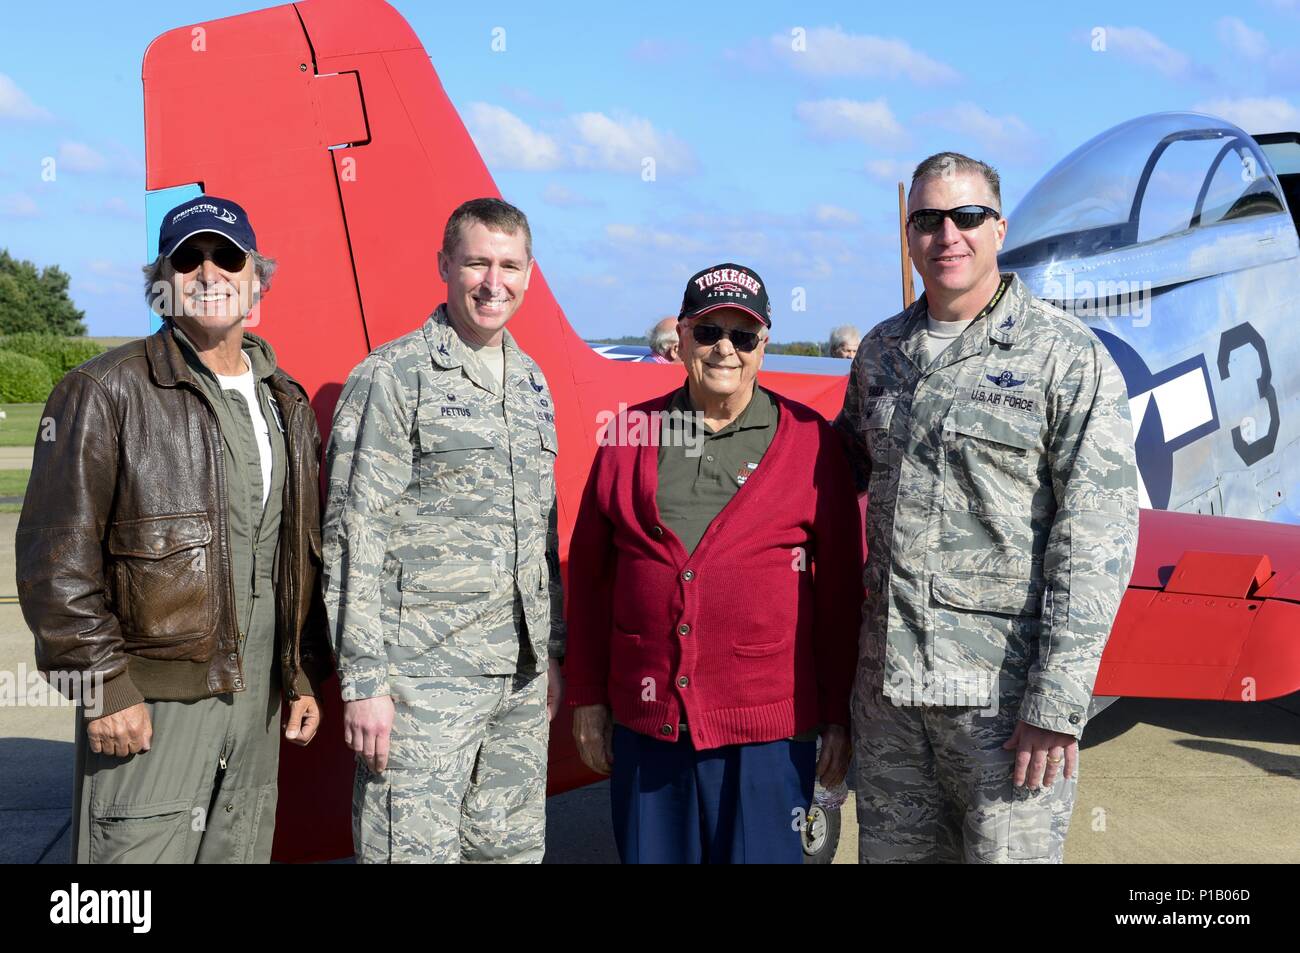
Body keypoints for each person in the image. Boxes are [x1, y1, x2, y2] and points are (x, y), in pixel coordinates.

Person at [835, 152, 1139, 863]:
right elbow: (833, 481)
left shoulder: (1066, 357)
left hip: (1002, 711)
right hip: (889, 712)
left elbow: (1096, 537)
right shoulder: (880, 353)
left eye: (967, 216)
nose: (949, 234)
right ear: (909, 237)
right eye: (929, 219)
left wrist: (1056, 705)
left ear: (998, 228)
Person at [17, 195, 330, 863]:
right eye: (188, 258)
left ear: (256, 278)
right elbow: (55, 560)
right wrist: (101, 689)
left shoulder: (286, 399)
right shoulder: (102, 390)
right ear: (161, 282)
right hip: (152, 702)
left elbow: (288, 554)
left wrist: (298, 671)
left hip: (257, 705)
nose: (209, 271)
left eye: (227, 256)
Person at [566, 262, 862, 863]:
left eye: (743, 335)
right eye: (708, 332)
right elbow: (592, 583)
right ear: (681, 340)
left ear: (763, 346)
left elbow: (839, 595)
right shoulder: (629, 436)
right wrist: (588, 699)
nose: (725, 348)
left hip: (770, 737)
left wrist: (837, 716)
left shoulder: (810, 442)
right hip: (651, 727)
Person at [324, 197, 564, 864]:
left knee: (508, 852)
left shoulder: (531, 382)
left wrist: (551, 653)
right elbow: (354, 534)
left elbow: (541, 534)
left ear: (530, 271)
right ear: (444, 265)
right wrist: (365, 681)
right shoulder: (394, 376)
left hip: (516, 677)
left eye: (510, 264)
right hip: (422, 680)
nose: (495, 281)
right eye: (477, 262)